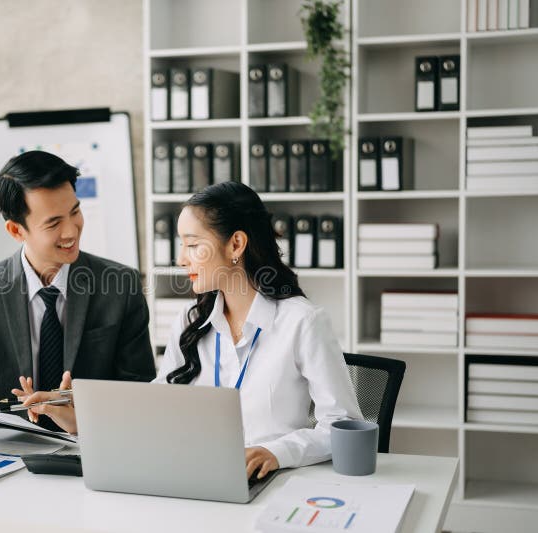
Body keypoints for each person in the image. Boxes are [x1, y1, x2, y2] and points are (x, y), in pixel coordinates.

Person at [20, 181, 362, 479]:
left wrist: (276, 453)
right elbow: (156, 408)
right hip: (196, 477)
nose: (181, 259)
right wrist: (81, 416)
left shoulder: (302, 322)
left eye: (193, 245)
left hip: (273, 482)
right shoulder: (190, 321)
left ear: (236, 245)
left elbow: (342, 426)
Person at [0, 150, 156, 435]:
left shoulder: (121, 285)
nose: (71, 231)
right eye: (53, 223)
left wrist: (85, 413)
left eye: (75, 212)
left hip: (95, 445)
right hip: (12, 450)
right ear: (16, 230)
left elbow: (141, 394)